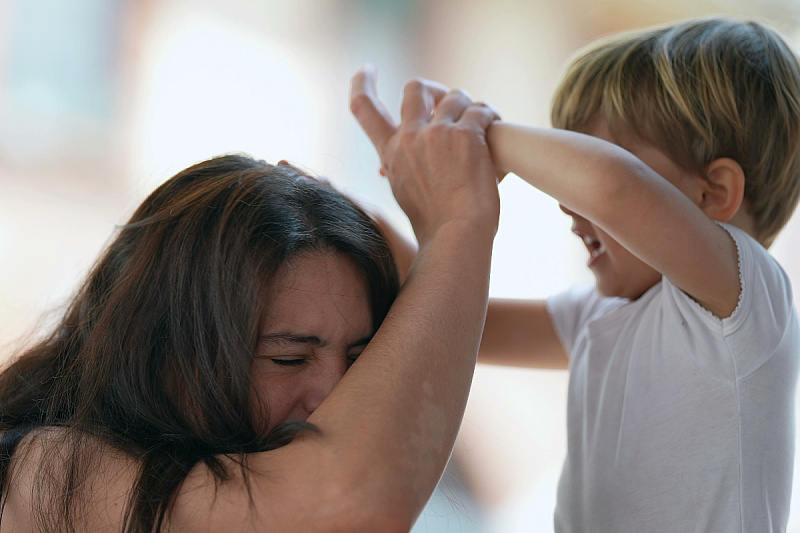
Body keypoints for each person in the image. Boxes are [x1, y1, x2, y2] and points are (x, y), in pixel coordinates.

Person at [353, 16, 800, 532]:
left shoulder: (747, 302)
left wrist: (479, 138)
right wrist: (353, 212)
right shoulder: (600, 313)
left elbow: (611, 188)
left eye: (587, 158)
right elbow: (459, 315)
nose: (568, 202)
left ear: (714, 193)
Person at [0, 77, 501, 532]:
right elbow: (347, 512)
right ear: (164, 344)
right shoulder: (47, 466)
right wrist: (458, 225)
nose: (334, 393)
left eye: (360, 359)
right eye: (289, 359)